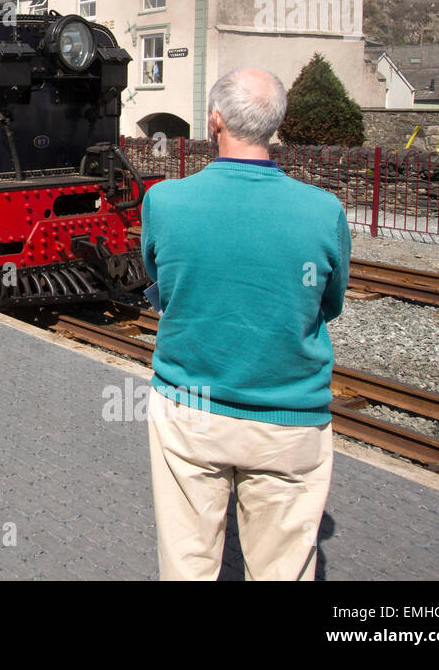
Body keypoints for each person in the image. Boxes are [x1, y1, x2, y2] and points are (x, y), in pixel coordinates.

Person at [140, 68, 350, 581]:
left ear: (214, 120)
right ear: (276, 125)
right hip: (289, 415)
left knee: (187, 564)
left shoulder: (164, 201)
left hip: (190, 410)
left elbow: (162, 287)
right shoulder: (325, 211)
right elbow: (330, 304)